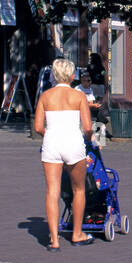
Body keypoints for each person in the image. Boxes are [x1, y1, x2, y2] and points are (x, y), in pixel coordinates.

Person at [33, 57, 93, 249]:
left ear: (54, 75)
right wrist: (90, 140)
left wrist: (49, 133)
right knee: (79, 189)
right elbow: (88, 128)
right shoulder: (79, 97)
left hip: (52, 144)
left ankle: (54, 239)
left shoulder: (45, 96)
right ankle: (77, 234)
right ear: (72, 75)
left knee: (52, 191)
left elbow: (37, 127)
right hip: (73, 143)